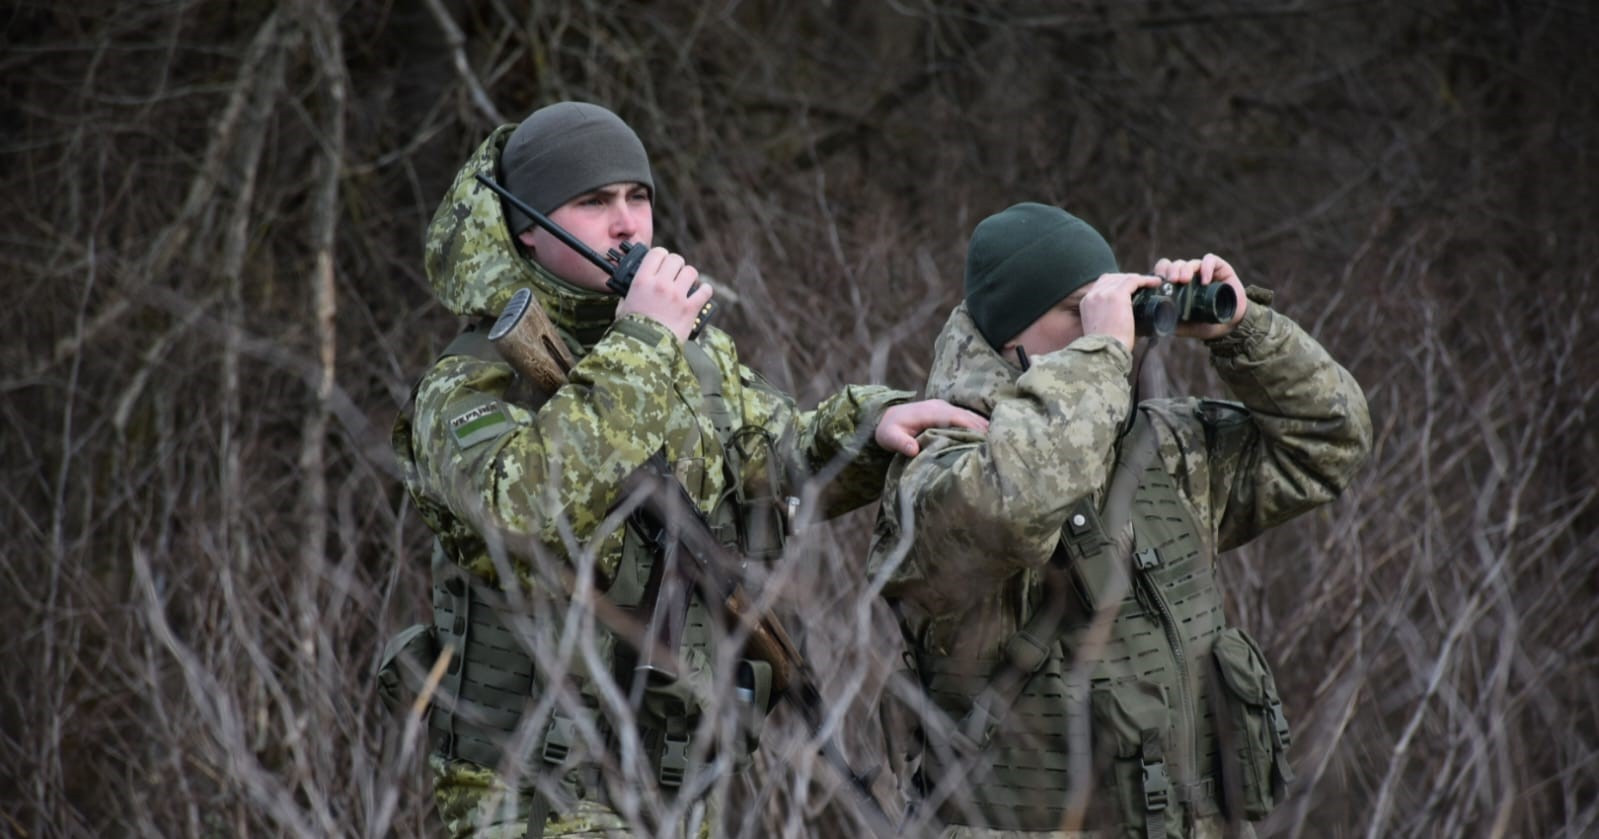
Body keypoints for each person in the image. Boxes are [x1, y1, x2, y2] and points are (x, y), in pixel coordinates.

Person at [383, 101, 986, 838]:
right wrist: (643, 339)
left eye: (638, 197)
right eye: (593, 201)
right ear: (526, 227)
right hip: (534, 780)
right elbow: (519, 509)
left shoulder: (679, 349)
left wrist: (865, 430)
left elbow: (764, 456)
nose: (627, 223)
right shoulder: (470, 380)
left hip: (676, 768)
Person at [867, 203, 1372, 838]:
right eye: (1076, 309)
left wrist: (1244, 331)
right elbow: (1019, 501)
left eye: (1110, 308)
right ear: (1007, 337)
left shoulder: (1165, 448)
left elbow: (1331, 440)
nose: (1111, 328)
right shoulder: (938, 469)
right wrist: (1100, 352)